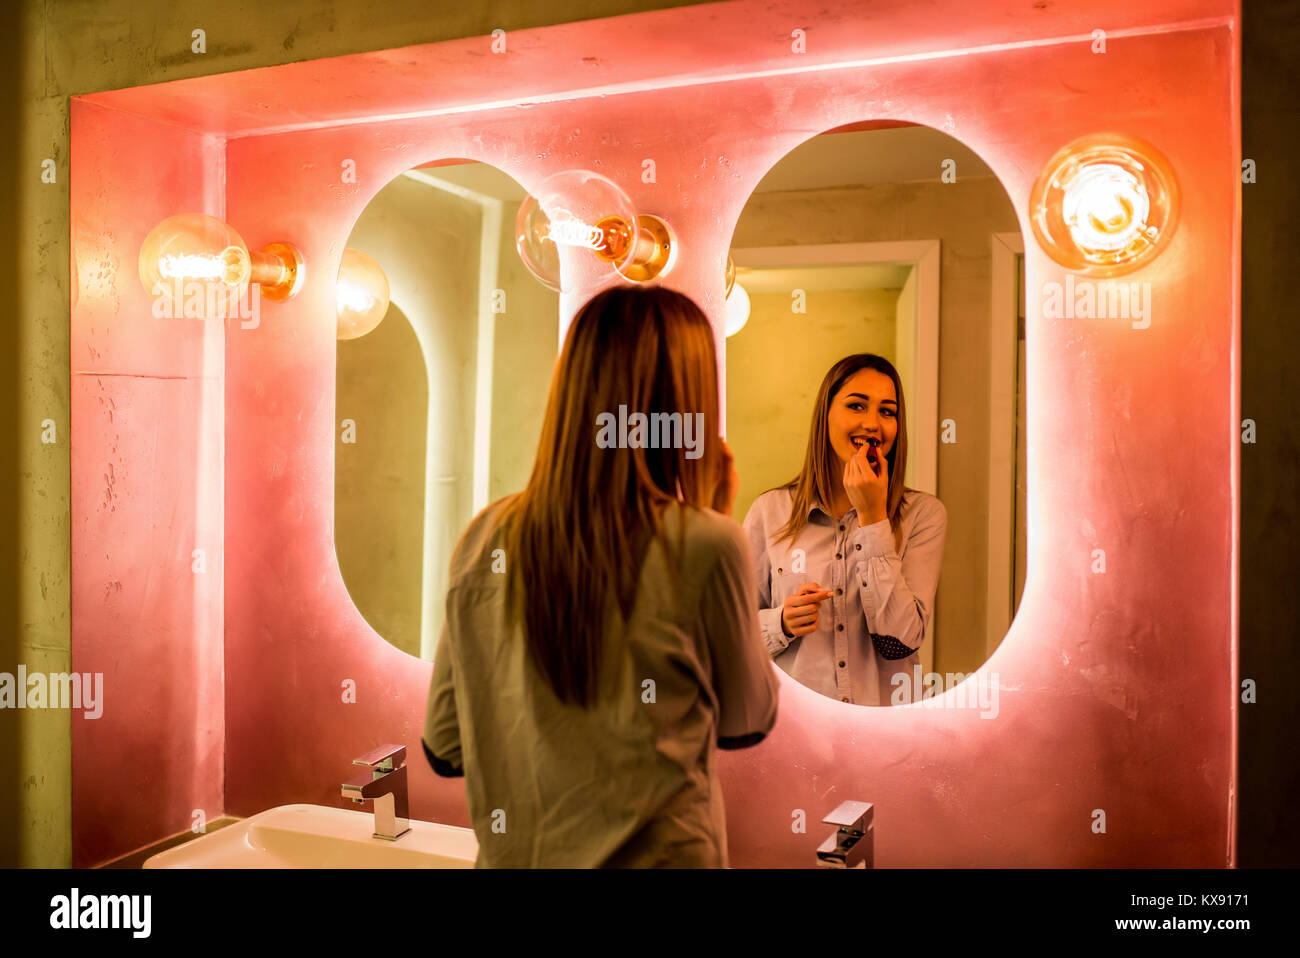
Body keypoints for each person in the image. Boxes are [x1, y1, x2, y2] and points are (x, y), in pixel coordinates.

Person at [422, 285, 779, 867]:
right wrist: (712, 518)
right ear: (687, 407)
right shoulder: (708, 545)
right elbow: (746, 722)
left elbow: (446, 748)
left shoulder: (484, 536)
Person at [742, 354, 947, 707]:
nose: (873, 424)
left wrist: (873, 518)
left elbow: (899, 642)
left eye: (887, 411)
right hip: (797, 734)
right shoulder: (769, 513)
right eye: (857, 406)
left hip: (885, 738)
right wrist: (781, 623)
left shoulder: (924, 516)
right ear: (825, 416)